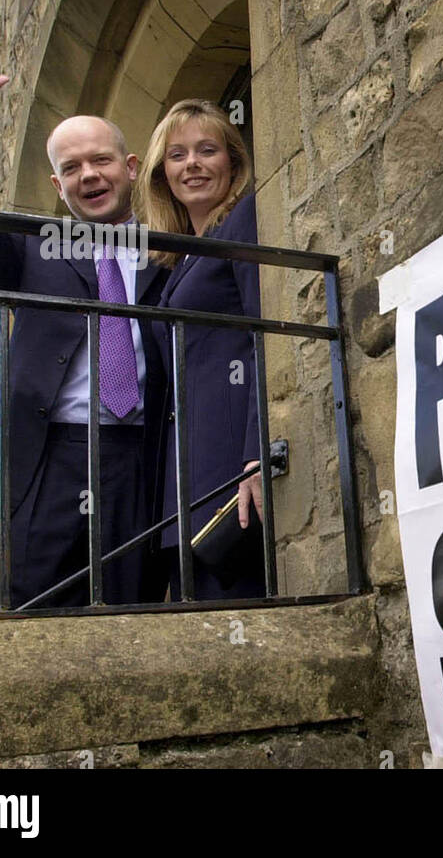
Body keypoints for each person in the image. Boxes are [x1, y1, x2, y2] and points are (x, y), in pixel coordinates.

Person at [0, 22, 170, 608]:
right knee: (33, 611)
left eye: (100, 160)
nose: (90, 176)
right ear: (57, 184)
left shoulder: (172, 249)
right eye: (73, 168)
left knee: (136, 612)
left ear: (130, 166)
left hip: (142, 455)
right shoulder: (34, 248)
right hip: (46, 456)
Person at [135, 99, 265, 600]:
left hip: (228, 474)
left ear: (231, 160)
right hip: (184, 483)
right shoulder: (179, 257)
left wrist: (256, 459)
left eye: (207, 150)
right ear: (162, 173)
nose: (192, 163)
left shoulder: (243, 219)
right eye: (177, 155)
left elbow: (263, 335)